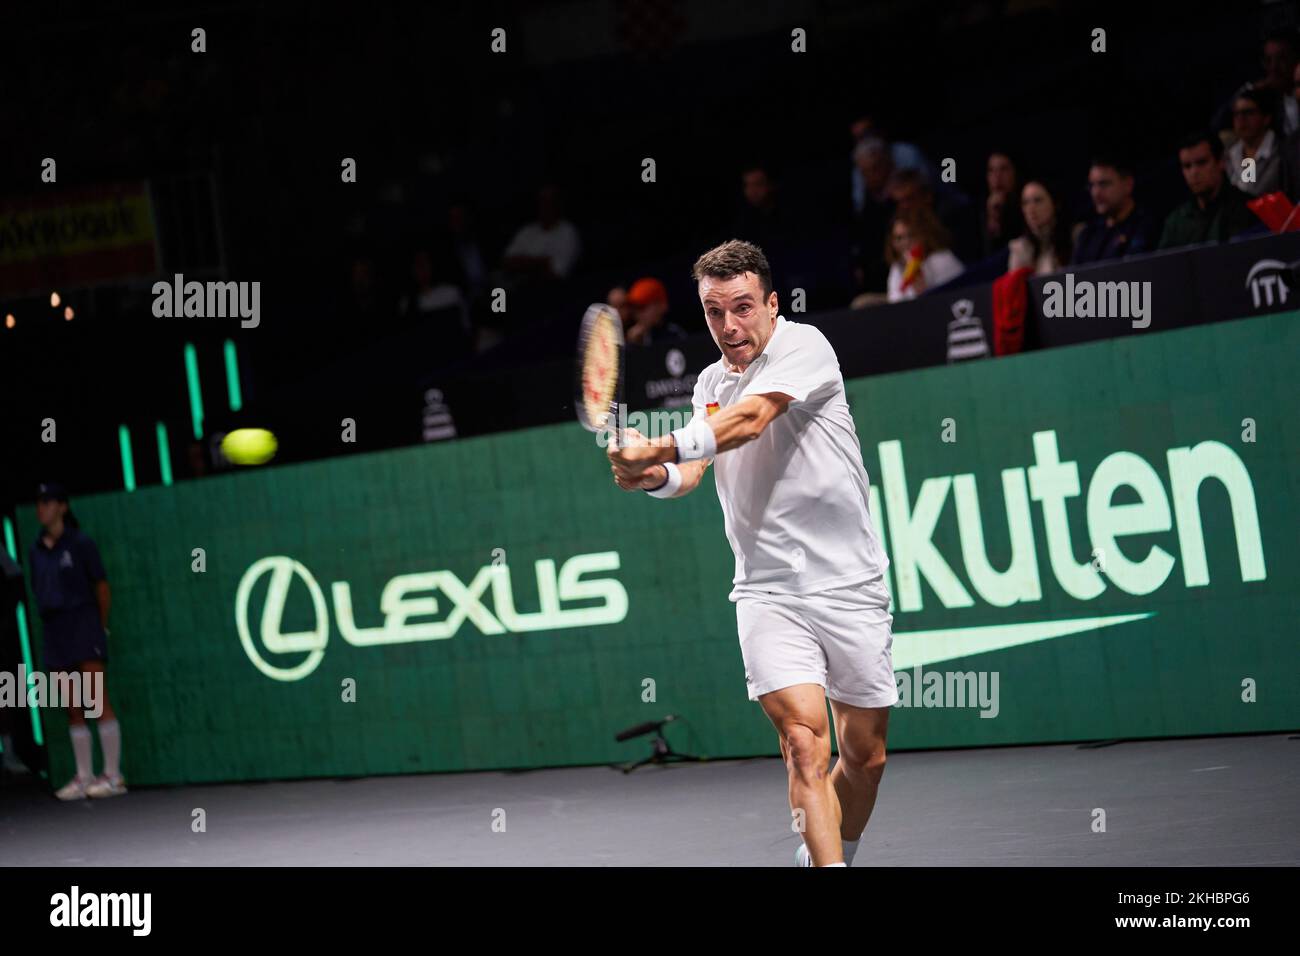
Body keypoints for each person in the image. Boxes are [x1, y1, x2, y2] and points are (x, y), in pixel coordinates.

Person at [607, 240, 895, 867]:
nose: (729, 326)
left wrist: (655, 449)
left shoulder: (805, 346)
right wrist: (654, 478)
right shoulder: (709, 382)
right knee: (802, 745)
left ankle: (832, 847)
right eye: (714, 312)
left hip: (849, 584)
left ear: (771, 303)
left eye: (742, 307)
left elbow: (754, 419)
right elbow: (696, 473)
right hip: (766, 592)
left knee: (866, 757)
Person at [28, 483, 125, 800]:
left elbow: (101, 585)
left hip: (83, 623)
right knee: (72, 707)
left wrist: (102, 626)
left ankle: (113, 776)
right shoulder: (34, 550)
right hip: (55, 629)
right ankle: (84, 777)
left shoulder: (81, 543)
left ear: (62, 507)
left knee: (97, 699)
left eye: (47, 502)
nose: (41, 509)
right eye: (39, 503)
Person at [1158, 132, 1257, 250]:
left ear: (1221, 161)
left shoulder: (1247, 209)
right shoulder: (1176, 221)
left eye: (1201, 162)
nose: (1194, 173)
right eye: (1187, 166)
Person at [1072, 156, 1159, 264]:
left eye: (1104, 184)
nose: (1096, 193)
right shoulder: (1088, 234)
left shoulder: (1147, 226)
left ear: (1128, 184)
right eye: (1092, 185)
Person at [501, 184, 581, 281]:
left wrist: (523, 263)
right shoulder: (527, 230)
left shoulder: (568, 232)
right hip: (518, 286)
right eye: (542, 202)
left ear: (558, 205)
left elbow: (557, 272)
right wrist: (542, 262)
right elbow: (507, 262)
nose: (545, 206)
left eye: (550, 202)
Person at [884, 207, 964, 302]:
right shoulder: (897, 267)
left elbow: (954, 299)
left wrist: (924, 291)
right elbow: (894, 302)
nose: (905, 243)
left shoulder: (942, 259)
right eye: (899, 238)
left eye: (911, 235)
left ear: (925, 235)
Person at [1224, 88, 1282, 197]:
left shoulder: (1282, 152)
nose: (1241, 119)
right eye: (1237, 114)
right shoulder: (1229, 153)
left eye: (1248, 113)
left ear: (1266, 118)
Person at [1008, 180, 1071, 275]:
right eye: (1025, 203)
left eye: (1038, 200)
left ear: (1054, 203)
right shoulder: (1020, 248)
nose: (1031, 208)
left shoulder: (1075, 236)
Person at [624, 277, 688, 345]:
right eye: (634, 308)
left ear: (661, 305)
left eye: (642, 307)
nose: (637, 314)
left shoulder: (674, 334)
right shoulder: (632, 336)